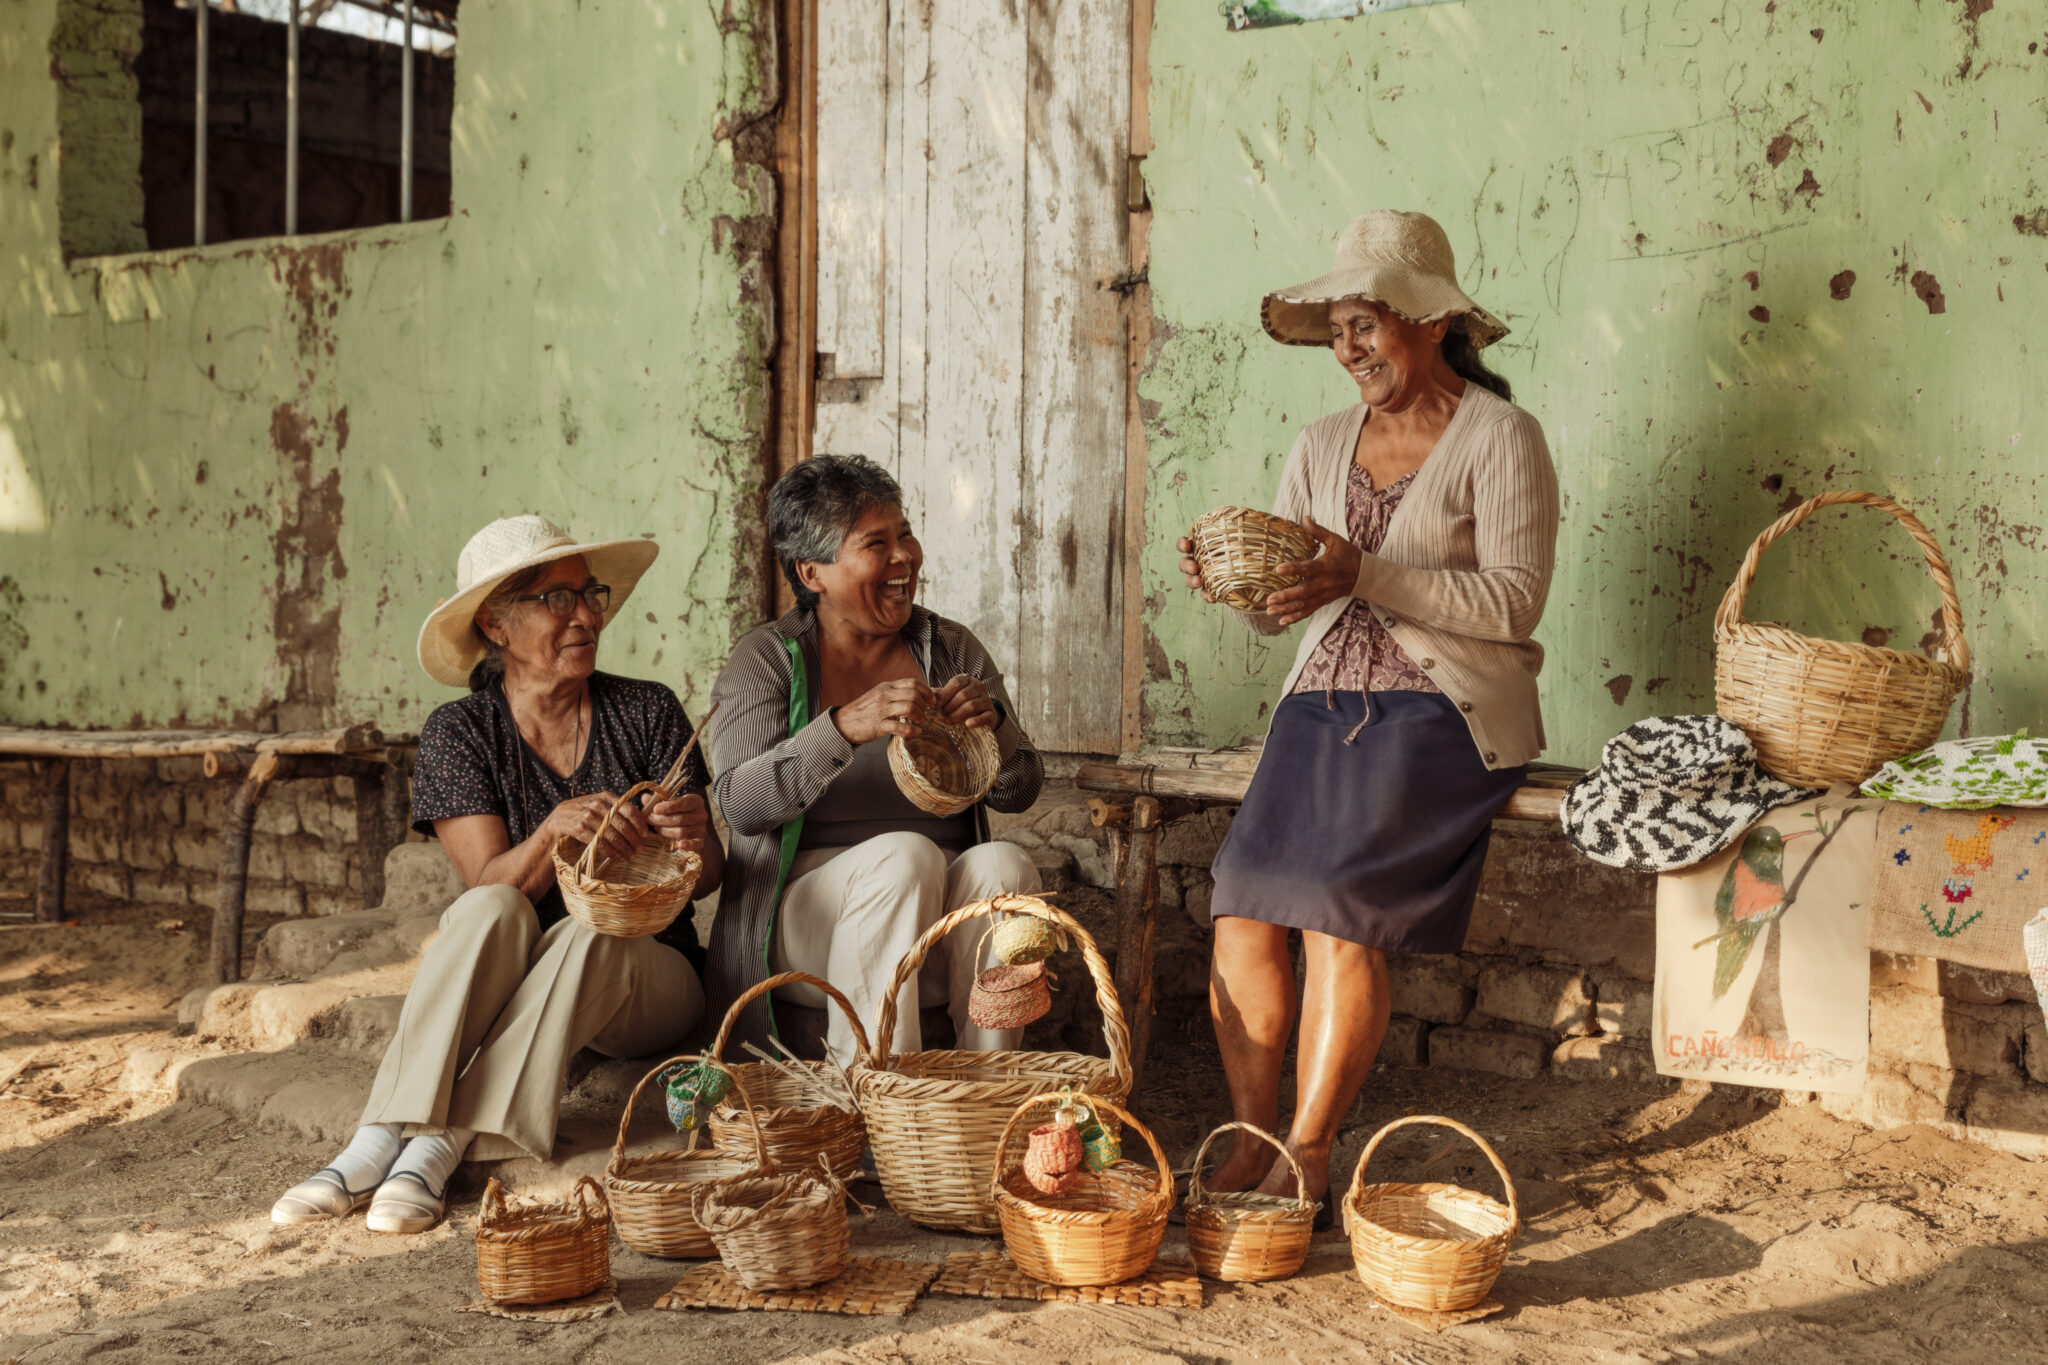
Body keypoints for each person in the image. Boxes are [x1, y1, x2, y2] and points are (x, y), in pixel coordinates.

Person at [1176, 210, 1559, 1224]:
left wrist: (1368, 572)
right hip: (1318, 706)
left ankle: (1306, 1152)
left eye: (1366, 325)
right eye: (1338, 329)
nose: (1349, 349)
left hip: (1442, 714)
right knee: (1242, 900)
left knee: (1336, 903)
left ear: (1431, 321)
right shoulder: (1316, 445)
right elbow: (1282, 612)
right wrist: (1242, 584)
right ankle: (1252, 1140)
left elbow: (1513, 602)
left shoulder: (1501, 436)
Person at [270, 515, 722, 1234]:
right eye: (556, 599)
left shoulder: (646, 709)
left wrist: (696, 838)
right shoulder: (462, 731)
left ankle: (438, 1144)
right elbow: (490, 881)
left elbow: (703, 879)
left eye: (590, 594)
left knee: (591, 929)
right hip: (521, 970)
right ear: (496, 625)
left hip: (647, 980)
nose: (585, 615)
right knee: (488, 909)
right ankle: (380, 1134)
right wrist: (552, 829)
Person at [707, 456, 1044, 1068]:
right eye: (876, 544)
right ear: (814, 573)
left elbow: (1019, 793)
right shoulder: (768, 659)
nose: (904, 558)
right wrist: (841, 727)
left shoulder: (950, 648)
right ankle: (874, 1098)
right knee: (904, 854)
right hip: (807, 926)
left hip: (931, 917)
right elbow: (737, 804)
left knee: (1005, 866)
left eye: (905, 535)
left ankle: (988, 1087)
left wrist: (998, 727)